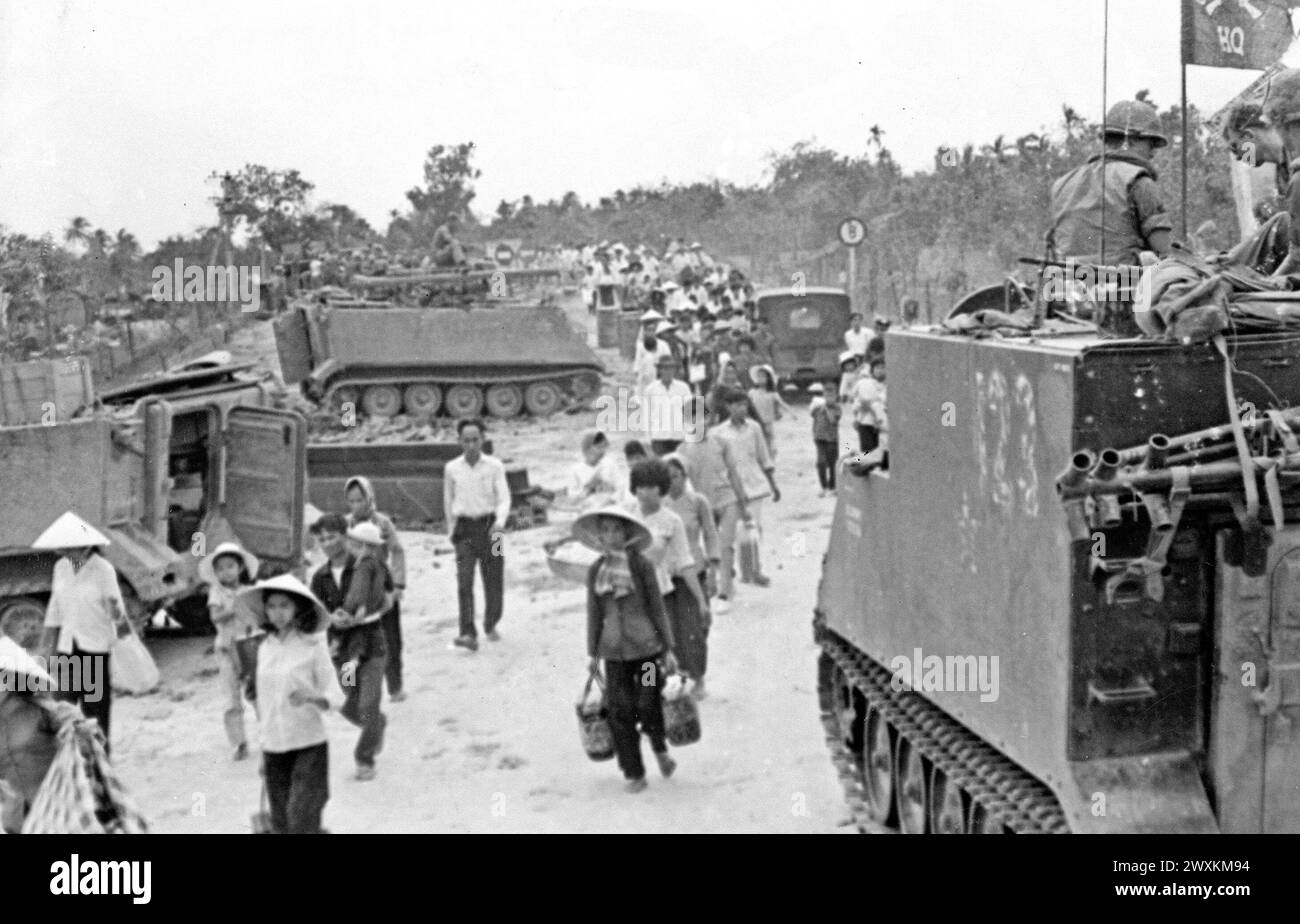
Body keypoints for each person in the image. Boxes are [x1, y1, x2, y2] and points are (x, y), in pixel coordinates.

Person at [577, 506, 678, 793]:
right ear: (599, 536)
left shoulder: (641, 566)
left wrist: (668, 648)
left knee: (648, 703)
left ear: (627, 533)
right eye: (605, 531)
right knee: (620, 711)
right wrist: (593, 654)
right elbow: (594, 612)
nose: (611, 536)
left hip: (647, 651)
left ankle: (660, 750)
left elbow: (656, 607)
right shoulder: (597, 571)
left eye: (616, 530)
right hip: (613, 653)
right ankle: (634, 772)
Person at [239, 574, 344, 835]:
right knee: (282, 823)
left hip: (308, 742)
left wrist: (313, 697)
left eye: (285, 605)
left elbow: (335, 694)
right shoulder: (264, 648)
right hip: (274, 746)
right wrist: (263, 749)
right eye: (272, 606)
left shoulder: (313, 645)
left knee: (302, 815)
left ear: (298, 607)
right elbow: (263, 703)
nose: (278, 613)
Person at [34, 512, 127, 756]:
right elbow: (54, 608)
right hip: (67, 648)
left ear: (85, 546)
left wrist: (115, 610)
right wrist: (45, 645)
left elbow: (118, 614)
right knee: (63, 710)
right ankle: (70, 763)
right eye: (63, 548)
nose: (65, 553)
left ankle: (100, 764)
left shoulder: (103, 569)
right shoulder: (61, 568)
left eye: (70, 548)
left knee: (95, 714)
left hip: (95, 649)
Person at [1047, 98, 1173, 268]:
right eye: (1151, 144)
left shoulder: (1062, 184)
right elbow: (1163, 249)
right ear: (1131, 140)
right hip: (1125, 281)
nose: (1153, 153)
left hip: (1067, 280)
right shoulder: (1139, 181)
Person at [310, 515, 388, 782]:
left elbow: (388, 598)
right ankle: (377, 725)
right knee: (350, 704)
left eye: (332, 536)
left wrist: (363, 613)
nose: (327, 543)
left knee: (368, 703)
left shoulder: (368, 564)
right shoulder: (319, 577)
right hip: (342, 650)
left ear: (346, 536)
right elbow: (314, 612)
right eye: (321, 539)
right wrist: (332, 619)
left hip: (371, 642)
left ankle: (364, 758)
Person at [675, 397, 752, 609]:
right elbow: (680, 485)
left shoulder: (721, 443)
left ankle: (724, 593)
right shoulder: (682, 451)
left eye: (701, 416)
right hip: (703, 505)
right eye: (691, 418)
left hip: (727, 500)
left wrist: (743, 503)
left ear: (709, 419)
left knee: (725, 545)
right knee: (711, 546)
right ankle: (715, 579)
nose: (697, 422)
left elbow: (733, 474)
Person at [444, 418, 511, 652]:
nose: (471, 445)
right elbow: (448, 501)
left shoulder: (495, 466)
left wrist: (500, 523)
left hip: (494, 530)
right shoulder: (451, 468)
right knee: (464, 581)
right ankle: (467, 633)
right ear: (459, 441)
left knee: (495, 579)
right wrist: (451, 531)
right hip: (465, 529)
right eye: (466, 440)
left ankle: (491, 622)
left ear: (483, 440)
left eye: (475, 440)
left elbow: (504, 498)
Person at [344, 476, 406, 702]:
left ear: (369, 498)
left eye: (360, 500)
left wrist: (397, 585)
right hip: (357, 587)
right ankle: (352, 691)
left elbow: (397, 551)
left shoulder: (382, 523)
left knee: (391, 640)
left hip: (382, 585)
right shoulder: (346, 525)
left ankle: (395, 686)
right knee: (352, 643)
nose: (356, 506)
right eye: (351, 501)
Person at [712, 387, 781, 587]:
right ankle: (740, 569)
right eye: (737, 405)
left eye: (744, 404)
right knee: (737, 530)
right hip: (731, 486)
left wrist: (773, 484)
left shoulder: (754, 428)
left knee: (754, 527)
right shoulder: (718, 432)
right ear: (728, 407)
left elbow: (764, 456)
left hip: (754, 483)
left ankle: (756, 570)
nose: (742, 409)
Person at [663, 456, 718, 698]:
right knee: (670, 631)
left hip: (694, 574)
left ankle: (698, 677)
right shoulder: (659, 505)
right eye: (667, 477)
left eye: (676, 476)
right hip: (667, 576)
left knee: (695, 628)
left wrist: (714, 571)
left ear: (685, 476)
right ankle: (679, 677)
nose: (672, 481)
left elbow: (711, 535)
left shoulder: (698, 502)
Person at [199, 541, 260, 760]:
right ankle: (239, 743)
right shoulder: (217, 592)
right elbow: (215, 616)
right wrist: (233, 608)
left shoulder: (249, 591)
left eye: (230, 566)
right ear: (215, 573)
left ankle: (270, 735)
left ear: (240, 568)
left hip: (248, 646)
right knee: (231, 697)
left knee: (257, 693)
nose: (226, 572)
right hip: (226, 648)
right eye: (220, 568)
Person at [643, 354, 694, 455]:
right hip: (659, 437)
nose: (668, 371)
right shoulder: (650, 390)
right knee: (662, 464)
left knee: (679, 462)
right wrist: (648, 437)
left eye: (670, 368)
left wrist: (689, 434)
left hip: (679, 436)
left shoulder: (683, 388)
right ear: (659, 370)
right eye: (665, 368)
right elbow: (646, 415)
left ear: (674, 370)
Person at [569, 429, 621, 510]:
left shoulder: (610, 464)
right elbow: (572, 501)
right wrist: (590, 487)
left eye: (604, 447)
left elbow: (620, 489)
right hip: (588, 511)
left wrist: (611, 500)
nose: (602, 451)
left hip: (610, 509)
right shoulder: (576, 470)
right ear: (586, 450)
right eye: (598, 447)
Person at [747, 364, 788, 459]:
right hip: (755, 424)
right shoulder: (752, 393)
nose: (760, 378)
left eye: (763, 376)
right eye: (759, 376)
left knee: (769, 444)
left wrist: (791, 413)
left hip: (768, 424)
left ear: (768, 378)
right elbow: (746, 405)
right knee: (755, 445)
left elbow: (781, 403)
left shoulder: (772, 393)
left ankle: (770, 461)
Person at [809, 382, 842, 496]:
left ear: (836, 396)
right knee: (821, 463)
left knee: (833, 463)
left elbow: (833, 420)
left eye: (832, 396)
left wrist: (827, 409)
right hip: (819, 438)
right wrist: (816, 406)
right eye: (827, 396)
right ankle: (823, 486)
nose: (829, 398)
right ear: (823, 396)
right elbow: (812, 415)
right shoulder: (818, 407)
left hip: (832, 440)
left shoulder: (837, 408)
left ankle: (832, 486)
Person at [852, 357, 888, 453]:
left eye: (883, 367)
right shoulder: (865, 383)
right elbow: (856, 401)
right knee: (867, 453)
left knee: (882, 454)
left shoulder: (890, 386)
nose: (880, 370)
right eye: (877, 368)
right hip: (866, 423)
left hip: (883, 426)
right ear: (872, 370)